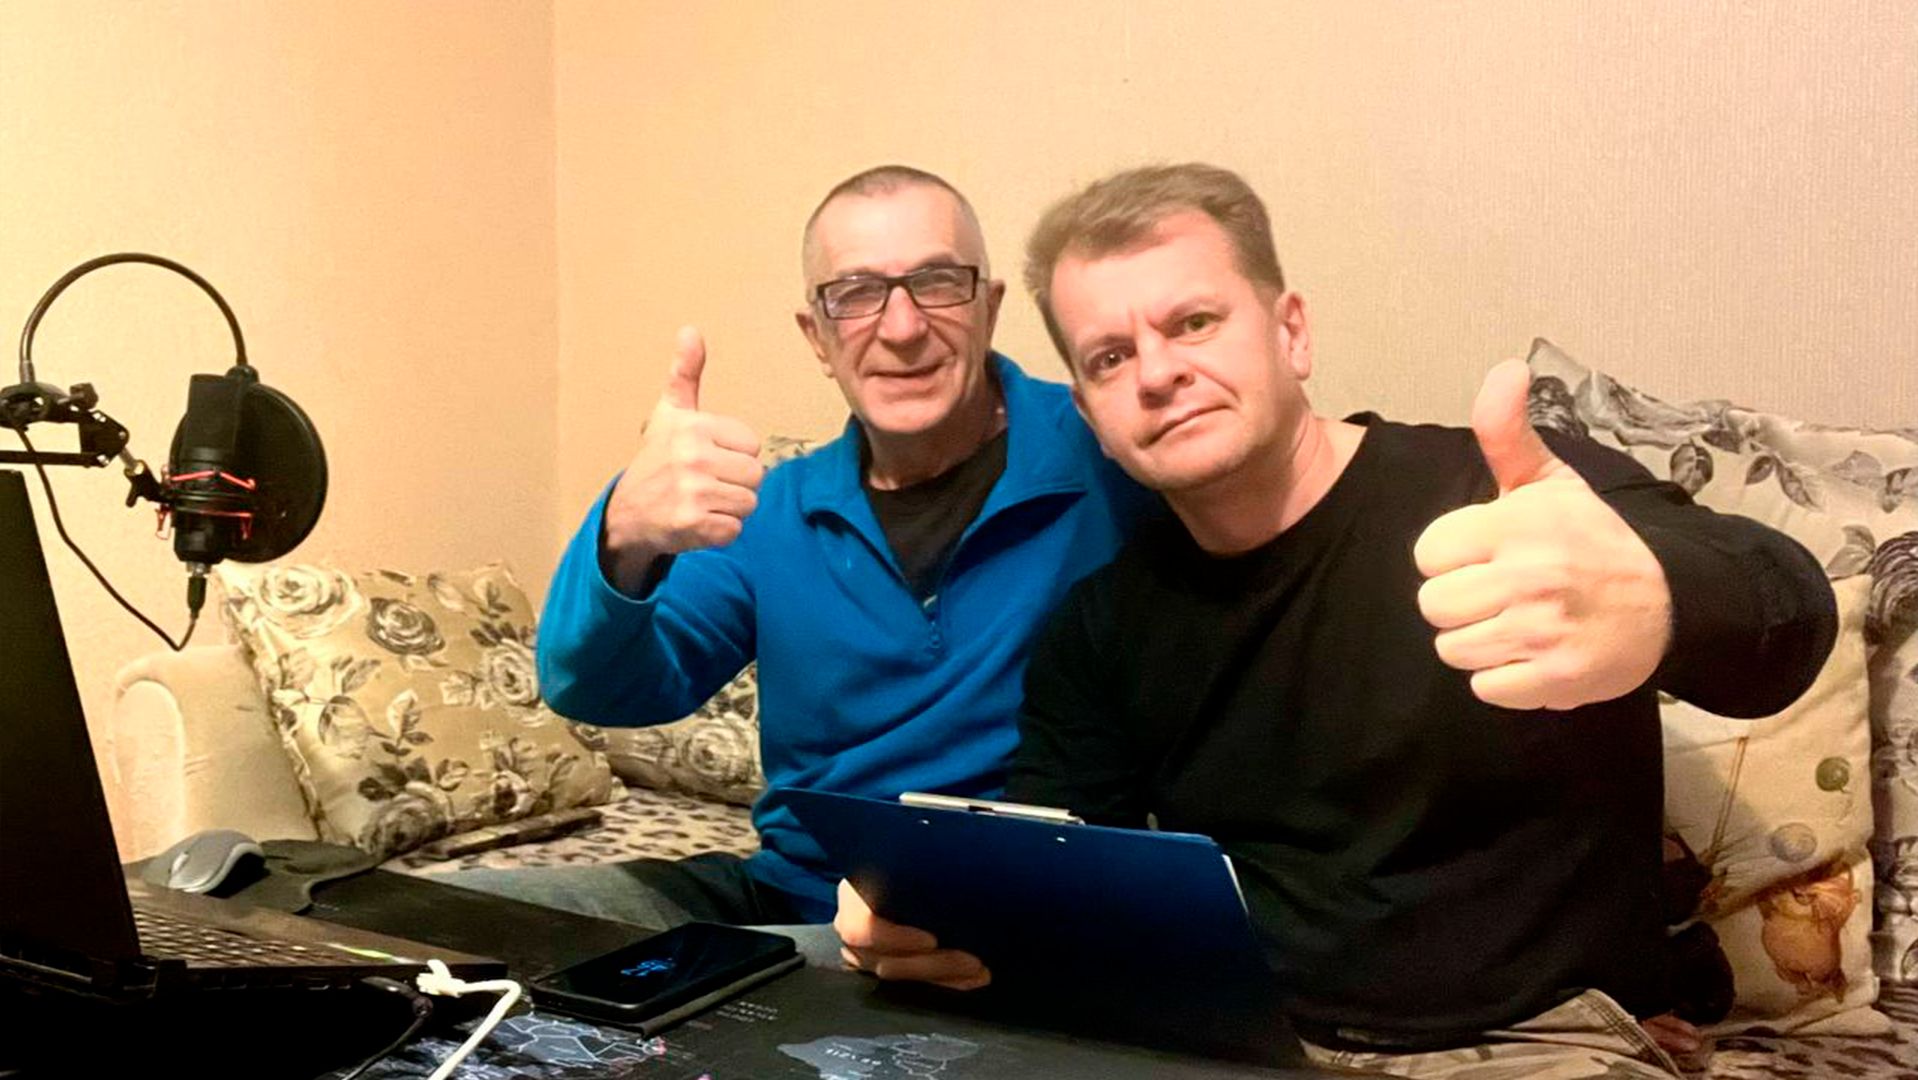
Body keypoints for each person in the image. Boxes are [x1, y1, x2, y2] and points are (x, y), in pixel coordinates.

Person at [833, 163, 1837, 1078]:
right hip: (1235, 1041)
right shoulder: (1101, 623)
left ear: (1292, 333)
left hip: (1532, 1038)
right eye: (1109, 356)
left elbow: (1786, 617)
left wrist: (1657, 599)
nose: (1156, 372)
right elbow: (1063, 879)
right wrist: (932, 920)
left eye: (1193, 322)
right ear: (1092, 414)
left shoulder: (1503, 498)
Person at [490, 166, 1155, 928]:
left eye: (937, 282)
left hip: (1019, 918)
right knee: (440, 920)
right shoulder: (771, 511)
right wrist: (624, 533)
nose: (901, 327)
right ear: (817, 336)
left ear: (989, 307)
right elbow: (595, 690)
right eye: (856, 293)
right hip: (796, 905)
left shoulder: (1106, 449)